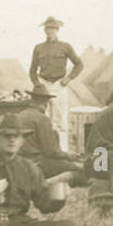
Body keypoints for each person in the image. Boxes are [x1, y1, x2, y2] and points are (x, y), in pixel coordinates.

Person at [28, 16, 84, 151]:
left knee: (60, 119)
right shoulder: (38, 48)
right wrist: (37, 84)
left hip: (59, 84)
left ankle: (62, 151)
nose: (49, 31)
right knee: (43, 117)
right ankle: (45, 149)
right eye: (47, 28)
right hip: (44, 85)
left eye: (52, 28)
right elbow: (32, 70)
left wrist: (69, 78)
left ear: (57, 30)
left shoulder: (65, 46)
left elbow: (79, 64)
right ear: (44, 30)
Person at [17, 86, 82, 179]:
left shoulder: (20, 114)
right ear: (45, 103)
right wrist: (68, 156)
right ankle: (48, 183)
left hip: (20, 161)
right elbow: (51, 152)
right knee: (79, 171)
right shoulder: (42, 118)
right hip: (37, 162)